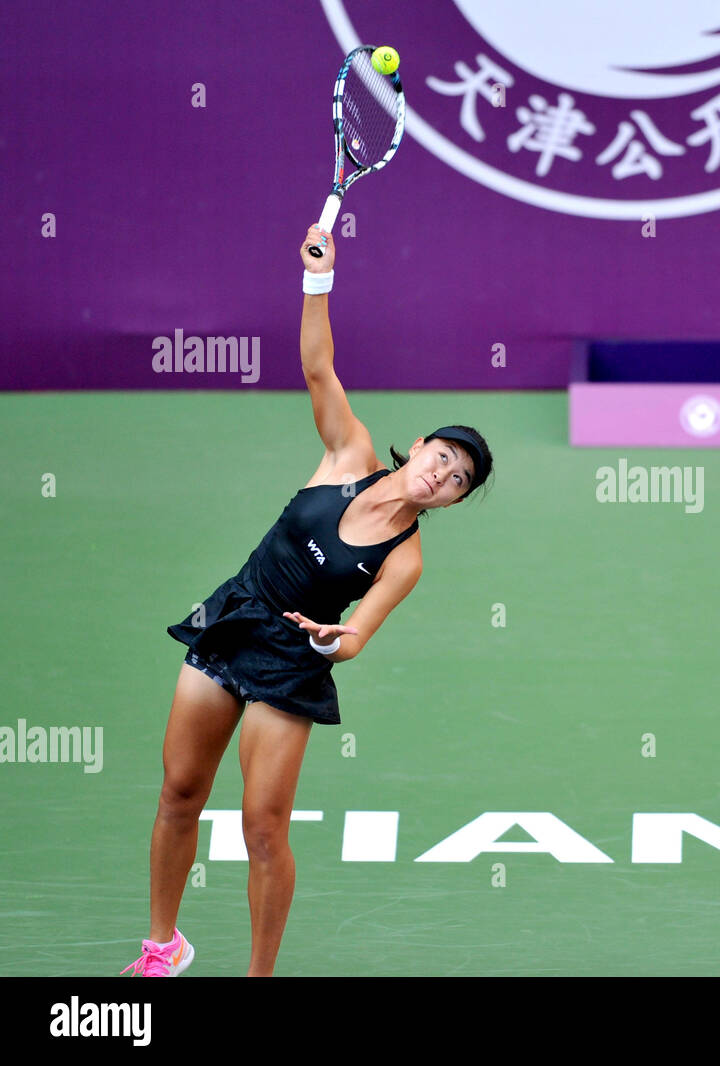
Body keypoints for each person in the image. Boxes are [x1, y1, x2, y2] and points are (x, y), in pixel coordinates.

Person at [121, 225, 493, 977]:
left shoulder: (405, 559)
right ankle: (163, 945)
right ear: (417, 446)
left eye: (457, 480)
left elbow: (359, 635)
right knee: (180, 791)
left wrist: (333, 640)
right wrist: (318, 280)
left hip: (292, 662)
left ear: (454, 502)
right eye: (441, 457)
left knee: (263, 827)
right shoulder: (347, 454)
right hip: (235, 618)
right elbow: (318, 367)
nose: (441, 475)